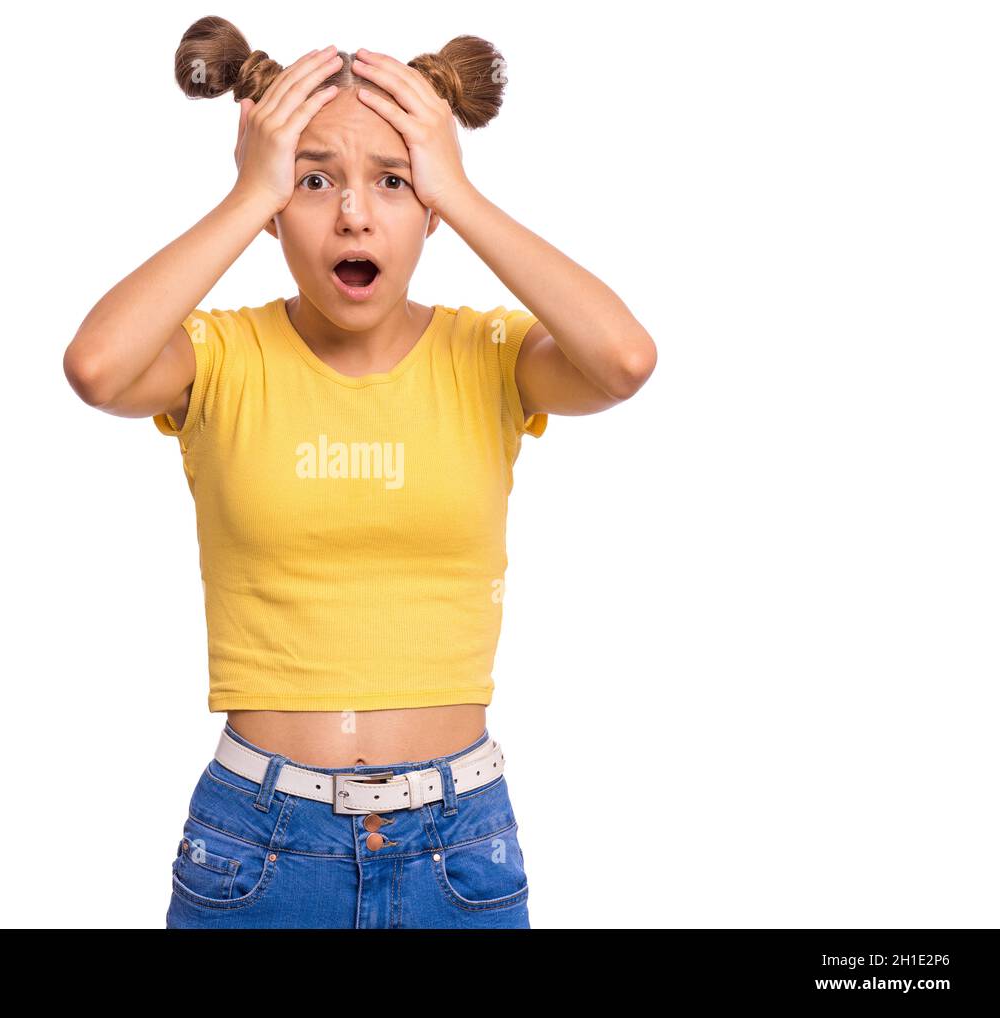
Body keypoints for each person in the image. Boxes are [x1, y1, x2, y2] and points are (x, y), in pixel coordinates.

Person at [62, 16, 657, 928]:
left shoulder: (489, 354)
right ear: (272, 210)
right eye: (312, 180)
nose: (353, 212)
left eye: (392, 179)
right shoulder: (220, 356)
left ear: (428, 209)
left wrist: (456, 185)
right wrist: (244, 194)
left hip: (459, 847)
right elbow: (97, 368)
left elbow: (623, 360)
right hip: (255, 852)